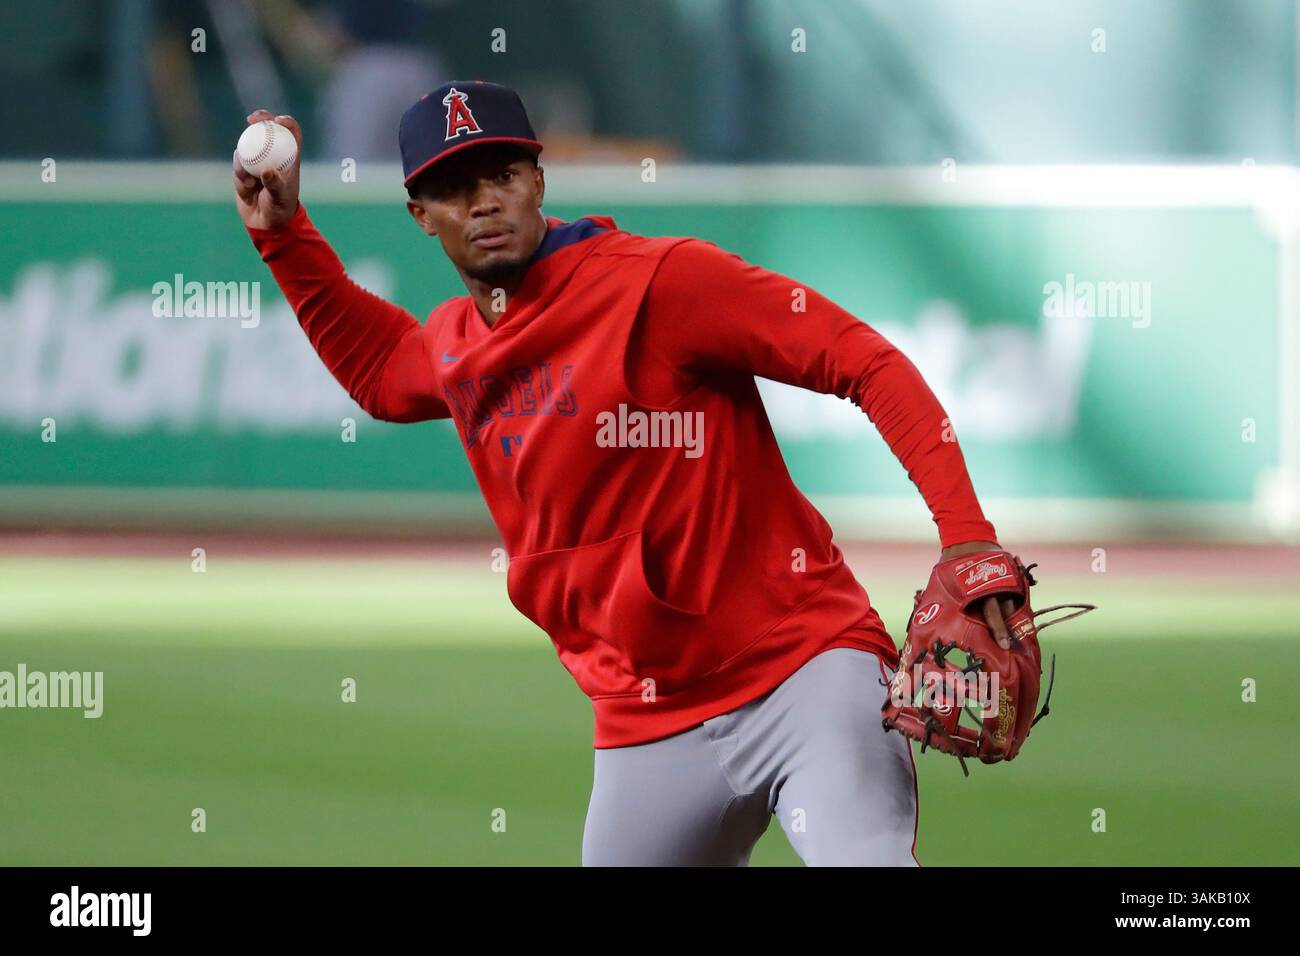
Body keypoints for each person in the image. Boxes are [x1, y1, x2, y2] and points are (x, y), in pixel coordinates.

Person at [233, 80, 1014, 866]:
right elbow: (381, 371)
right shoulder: (456, 348)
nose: (482, 202)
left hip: (804, 670)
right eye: (452, 187)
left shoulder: (663, 282)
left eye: (500, 174)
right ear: (419, 215)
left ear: (538, 180)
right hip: (646, 719)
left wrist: (965, 538)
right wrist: (283, 234)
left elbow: (865, 362)